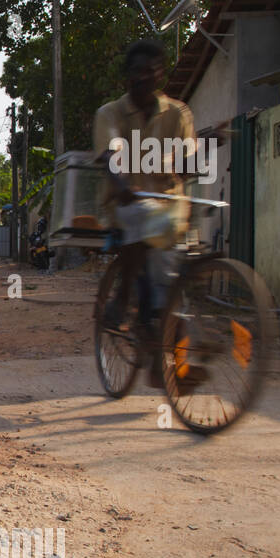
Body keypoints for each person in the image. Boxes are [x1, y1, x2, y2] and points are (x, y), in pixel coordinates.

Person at [94, 38, 196, 386]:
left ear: (160, 75)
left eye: (151, 71)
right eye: (137, 72)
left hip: (169, 208)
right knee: (140, 218)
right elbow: (109, 155)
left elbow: (188, 158)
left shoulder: (178, 113)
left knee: (171, 289)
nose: (145, 78)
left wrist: (190, 162)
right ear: (127, 77)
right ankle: (122, 298)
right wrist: (121, 184)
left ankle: (170, 366)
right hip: (126, 205)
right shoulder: (109, 114)